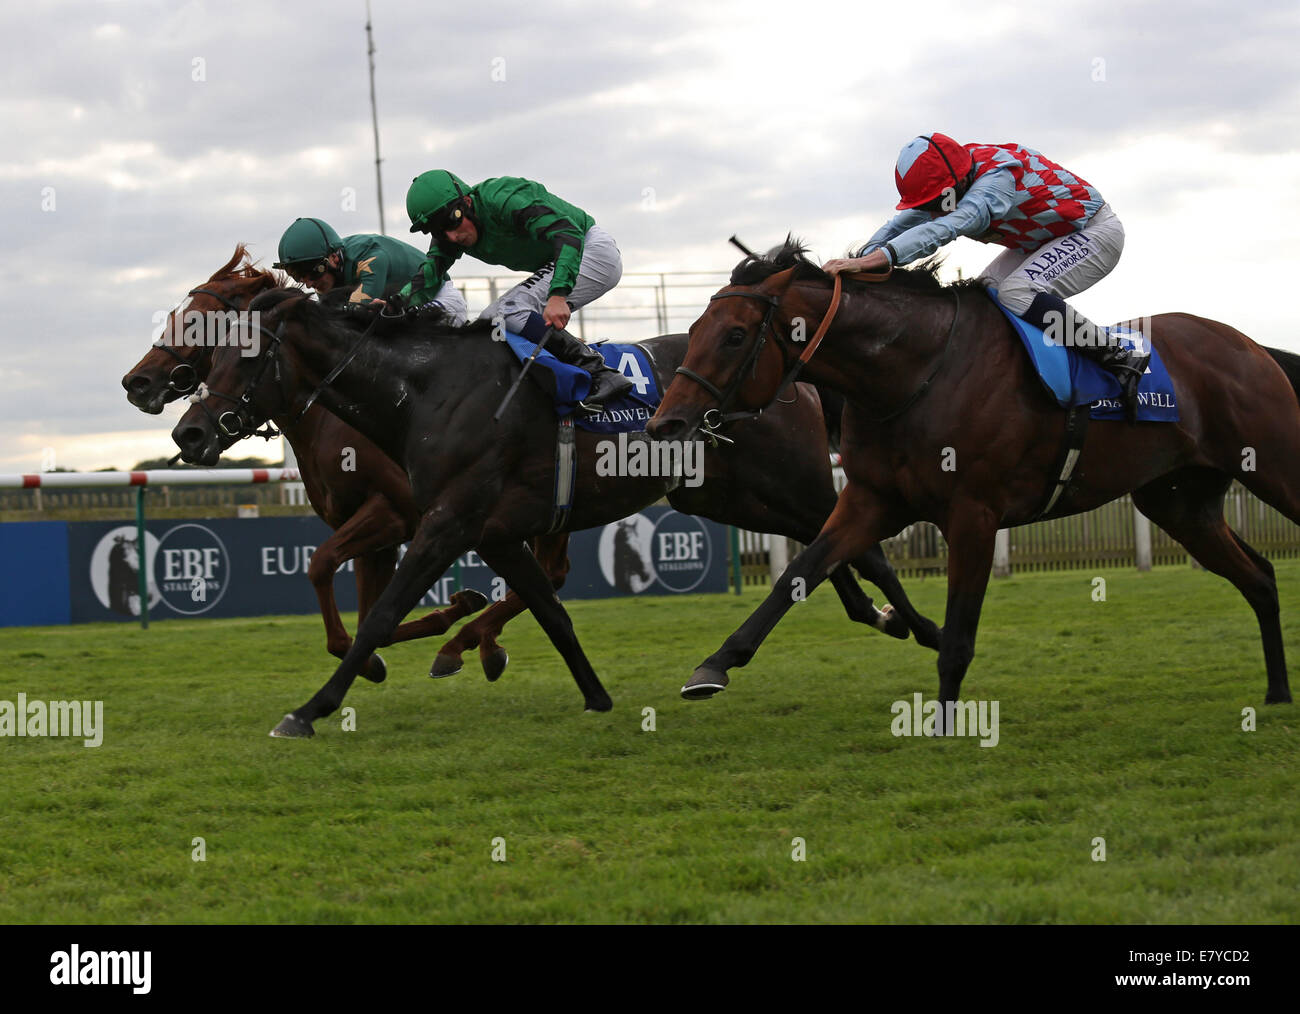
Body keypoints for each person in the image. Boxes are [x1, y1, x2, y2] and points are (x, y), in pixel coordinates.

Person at [824, 134, 1148, 421]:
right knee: (985, 293)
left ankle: (1118, 356)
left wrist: (878, 260)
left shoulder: (995, 183)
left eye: (937, 202)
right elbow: (904, 221)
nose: (934, 209)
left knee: (1017, 292)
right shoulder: (954, 176)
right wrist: (860, 259)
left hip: (1095, 231)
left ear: (957, 185)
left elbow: (945, 227)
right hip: (1045, 239)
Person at [399, 170, 632, 411]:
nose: (450, 236)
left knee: (506, 311)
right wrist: (396, 303)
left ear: (466, 203)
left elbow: (568, 234)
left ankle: (599, 372)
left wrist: (558, 294)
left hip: (590, 250)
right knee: (492, 318)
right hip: (565, 258)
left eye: (451, 223)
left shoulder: (502, 198)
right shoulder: (452, 231)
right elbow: (430, 274)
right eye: (438, 231)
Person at [273, 217, 467, 322]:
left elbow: (355, 316)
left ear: (333, 258)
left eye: (312, 273)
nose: (308, 283)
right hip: (406, 307)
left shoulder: (370, 259)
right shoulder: (327, 274)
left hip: (440, 298)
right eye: (299, 277)